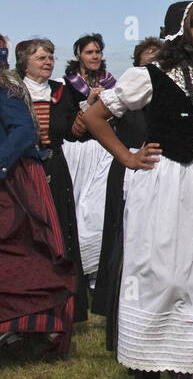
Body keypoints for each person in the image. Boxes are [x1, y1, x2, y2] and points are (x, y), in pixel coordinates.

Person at [83, 2, 193, 379]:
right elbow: (96, 116)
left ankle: (188, 376)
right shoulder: (147, 76)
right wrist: (128, 157)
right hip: (163, 180)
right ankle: (148, 366)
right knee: (158, 271)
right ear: (183, 32)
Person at [91, 36, 162, 352]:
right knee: (123, 239)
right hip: (129, 170)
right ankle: (120, 316)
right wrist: (127, 156)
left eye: (158, 59)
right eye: (146, 60)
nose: (152, 64)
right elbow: (83, 124)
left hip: (160, 171)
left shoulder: (167, 95)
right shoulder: (127, 95)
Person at [0, 68, 77, 360]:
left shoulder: (7, 91)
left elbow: (22, 131)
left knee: (28, 248)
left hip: (14, 180)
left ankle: (40, 326)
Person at [16, 38, 88, 321]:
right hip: (21, 169)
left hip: (55, 166)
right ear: (25, 62)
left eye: (50, 57)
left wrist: (88, 112)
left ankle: (65, 306)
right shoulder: (12, 92)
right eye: (41, 58)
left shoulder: (60, 91)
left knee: (60, 231)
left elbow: (72, 132)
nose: (48, 62)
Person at [63, 34, 117, 286]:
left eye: (98, 52)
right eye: (89, 52)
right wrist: (90, 102)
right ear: (79, 56)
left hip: (102, 150)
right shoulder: (67, 84)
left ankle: (95, 270)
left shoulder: (111, 83)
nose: (95, 56)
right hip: (77, 151)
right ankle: (74, 269)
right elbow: (67, 122)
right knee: (74, 207)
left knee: (95, 210)